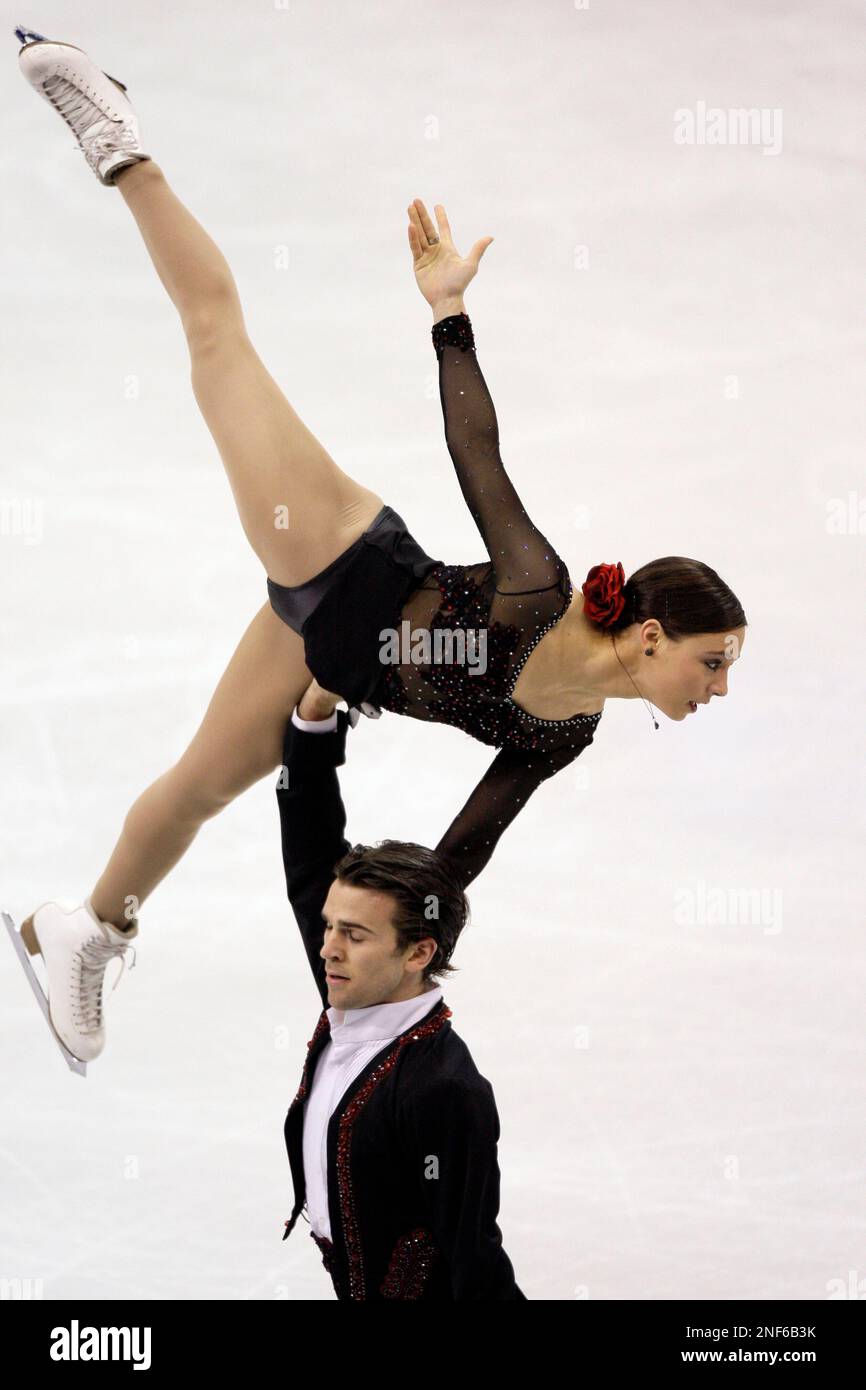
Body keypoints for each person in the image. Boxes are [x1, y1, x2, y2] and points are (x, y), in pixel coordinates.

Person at [11, 32, 748, 1065]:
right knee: (217, 334)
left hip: (326, 662)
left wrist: (402, 948)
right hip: (336, 556)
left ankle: (85, 929)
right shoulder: (535, 597)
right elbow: (474, 448)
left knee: (196, 787)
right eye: (712, 661)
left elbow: (461, 853)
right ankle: (124, 144)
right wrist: (448, 312)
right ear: (656, 634)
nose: (715, 687)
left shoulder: (565, 732)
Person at [275, 681, 525, 1300]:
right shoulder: (357, 984)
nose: (327, 946)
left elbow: (474, 1255)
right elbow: (310, 859)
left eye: (353, 934)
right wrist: (314, 718)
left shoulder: (443, 1089)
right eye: (329, 926)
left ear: (419, 953)